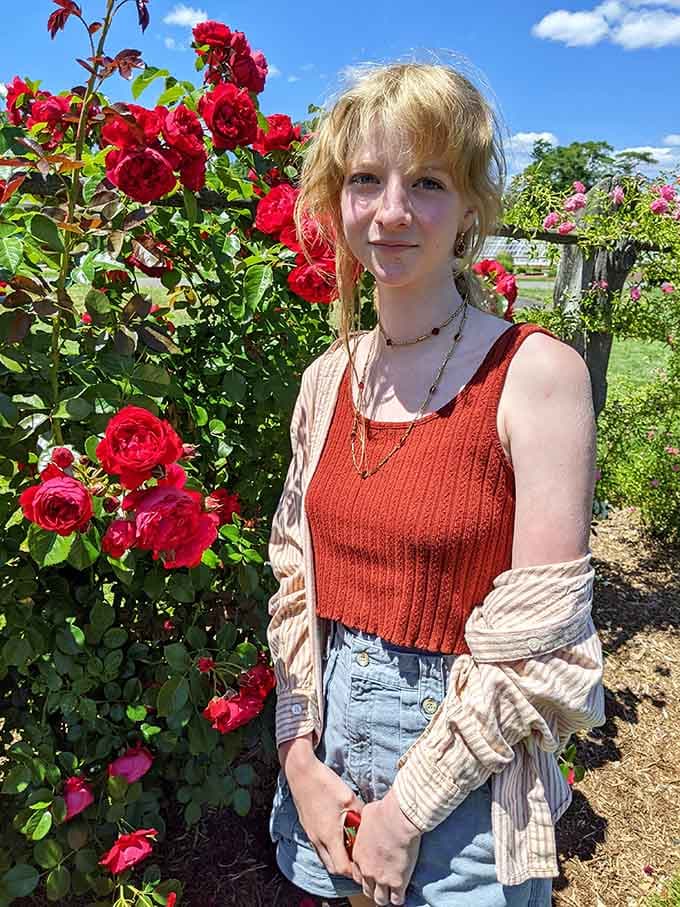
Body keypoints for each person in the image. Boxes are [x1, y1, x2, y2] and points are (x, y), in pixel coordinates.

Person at [266, 61, 605, 907]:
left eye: (426, 182)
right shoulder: (325, 380)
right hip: (330, 752)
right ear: (335, 200)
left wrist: (407, 809)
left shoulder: (536, 376)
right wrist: (298, 756)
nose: (390, 211)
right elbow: (294, 580)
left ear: (470, 208)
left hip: (465, 771)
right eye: (365, 180)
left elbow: (540, 644)